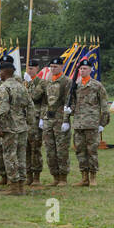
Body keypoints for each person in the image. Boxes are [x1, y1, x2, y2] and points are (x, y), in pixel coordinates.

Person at [71, 59, 110, 187]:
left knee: (92, 151)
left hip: (92, 123)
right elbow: (72, 103)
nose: (82, 71)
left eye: (85, 69)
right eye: (81, 69)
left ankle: (93, 176)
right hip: (78, 123)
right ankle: (84, 177)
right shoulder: (75, 85)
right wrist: (68, 111)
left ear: (90, 70)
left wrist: (102, 123)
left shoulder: (96, 85)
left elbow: (104, 106)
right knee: (80, 150)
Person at [0, 56, 30, 195]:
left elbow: (3, 109)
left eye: (0, 72)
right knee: (21, 156)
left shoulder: (4, 88)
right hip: (22, 126)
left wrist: (1, 127)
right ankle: (21, 185)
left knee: (10, 156)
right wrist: (29, 123)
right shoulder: (21, 86)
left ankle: (14, 186)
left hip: (9, 127)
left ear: (5, 72)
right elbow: (30, 106)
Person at [42, 57, 74, 186]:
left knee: (61, 150)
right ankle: (54, 176)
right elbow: (44, 101)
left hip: (60, 119)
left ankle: (63, 177)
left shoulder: (66, 81)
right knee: (50, 150)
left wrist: (66, 120)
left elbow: (68, 101)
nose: (53, 69)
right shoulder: (47, 81)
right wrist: (41, 117)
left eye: (56, 66)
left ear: (61, 67)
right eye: (51, 66)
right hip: (48, 119)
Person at [26, 59, 46, 187]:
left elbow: (34, 97)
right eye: (28, 68)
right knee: (25, 148)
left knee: (35, 148)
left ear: (37, 68)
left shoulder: (41, 82)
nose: (29, 70)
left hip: (35, 119)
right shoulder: (23, 82)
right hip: (24, 119)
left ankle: (36, 176)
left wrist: (28, 83)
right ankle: (28, 175)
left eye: (32, 68)